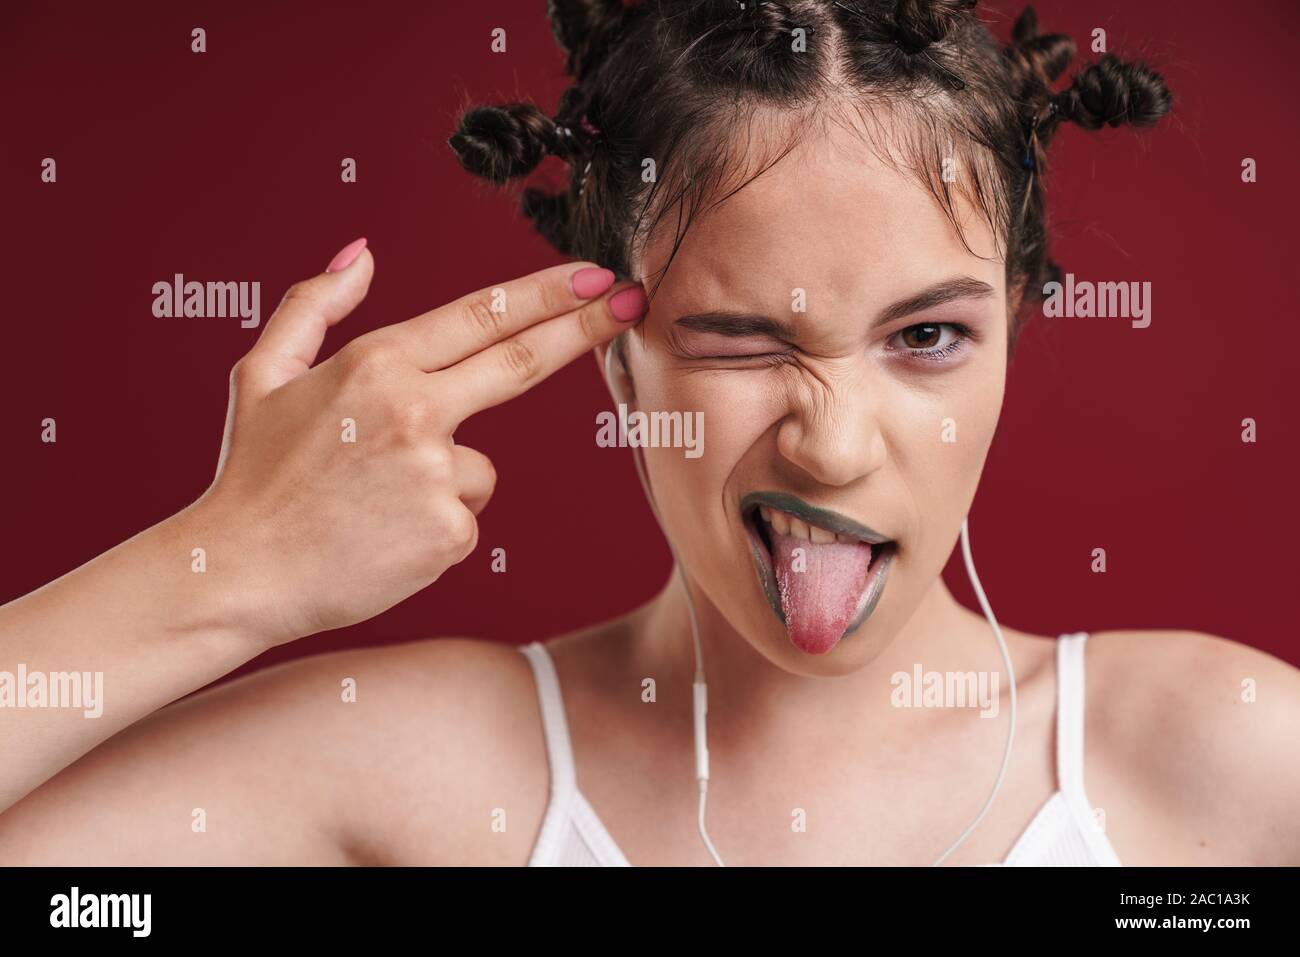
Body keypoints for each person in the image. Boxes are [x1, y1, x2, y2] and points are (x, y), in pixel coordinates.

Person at [1, 0, 1297, 867]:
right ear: (616, 357)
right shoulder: (440, 769)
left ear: (1013, 330)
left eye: (927, 338)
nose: (833, 448)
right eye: (742, 340)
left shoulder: (1213, 754)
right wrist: (230, 567)